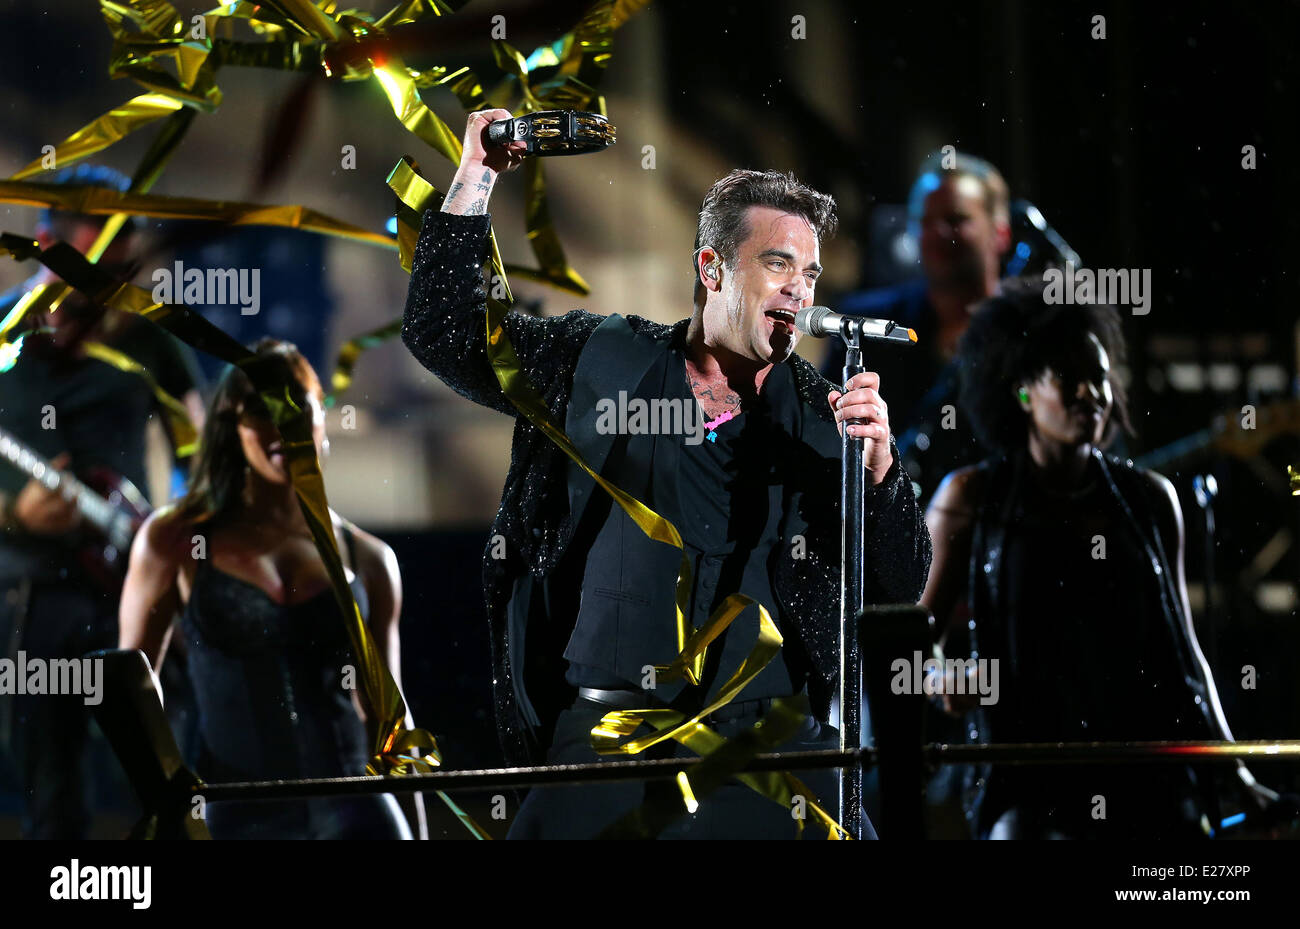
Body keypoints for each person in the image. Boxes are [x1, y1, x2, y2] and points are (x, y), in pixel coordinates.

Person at [400, 110, 932, 838]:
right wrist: (477, 173)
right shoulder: (600, 361)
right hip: (610, 736)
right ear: (712, 267)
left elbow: (899, 583)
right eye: (777, 263)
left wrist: (881, 476)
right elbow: (447, 331)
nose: (799, 290)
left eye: (808, 272)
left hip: (770, 745)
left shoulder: (824, 413)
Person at [922, 279, 1274, 838]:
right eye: (1069, 377)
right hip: (1029, 785)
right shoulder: (970, 500)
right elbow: (911, 646)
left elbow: (1187, 661)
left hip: (1148, 779)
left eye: (1102, 378)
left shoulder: (1150, 501)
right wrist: (943, 677)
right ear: (1021, 392)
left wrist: (1234, 773)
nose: (1092, 393)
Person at [118, 339, 417, 839]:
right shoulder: (173, 539)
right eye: (260, 409)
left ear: (322, 420)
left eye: (298, 404)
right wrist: (166, 810)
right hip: (232, 812)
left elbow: (393, 722)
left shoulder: (369, 559)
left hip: (356, 817)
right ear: (231, 428)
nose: (283, 422)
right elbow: (133, 696)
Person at [0, 164, 204, 838]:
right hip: (32, 593)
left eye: (116, 258)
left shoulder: (152, 336)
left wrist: (171, 531)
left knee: (163, 771)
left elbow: (200, 456)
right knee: (51, 794)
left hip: (133, 586)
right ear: (44, 240)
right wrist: (11, 512)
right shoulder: (3, 334)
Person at [822, 151, 1011, 505]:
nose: (937, 233)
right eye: (925, 221)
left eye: (956, 220)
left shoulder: (1035, 337)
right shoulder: (866, 326)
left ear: (999, 233)